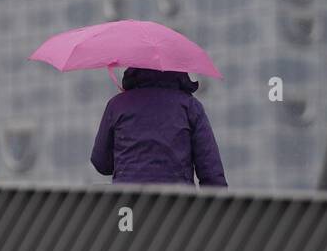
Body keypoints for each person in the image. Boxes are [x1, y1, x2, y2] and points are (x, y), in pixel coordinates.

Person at [91, 67, 227, 186]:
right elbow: (211, 172)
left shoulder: (117, 105)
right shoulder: (190, 106)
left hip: (128, 204)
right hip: (177, 204)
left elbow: (101, 163)